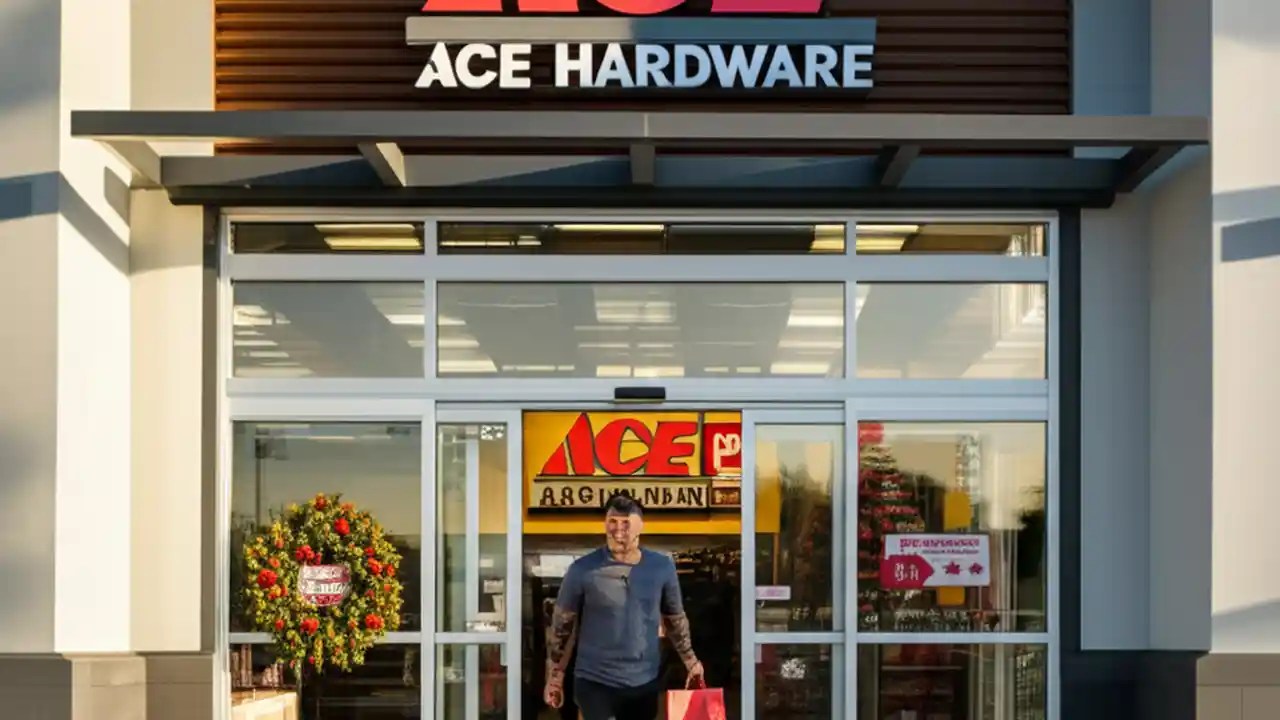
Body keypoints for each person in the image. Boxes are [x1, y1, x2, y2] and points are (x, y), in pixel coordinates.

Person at [544, 493, 705, 720]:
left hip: (644, 681)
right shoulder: (581, 570)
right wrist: (555, 677)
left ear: (640, 526)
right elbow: (563, 626)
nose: (618, 529)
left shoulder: (662, 568)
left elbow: (674, 619)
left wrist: (691, 662)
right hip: (595, 681)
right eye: (612, 521)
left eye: (626, 523)